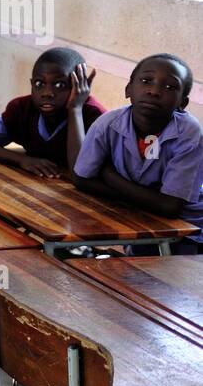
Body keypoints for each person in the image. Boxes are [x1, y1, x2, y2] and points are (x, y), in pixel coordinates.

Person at [73, 54, 203, 255]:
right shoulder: (107, 124)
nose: (154, 91)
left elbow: (170, 206)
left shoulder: (189, 133)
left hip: (188, 228)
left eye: (170, 87)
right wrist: (147, 200)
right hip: (135, 218)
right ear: (128, 90)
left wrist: (108, 174)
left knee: (170, 276)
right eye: (146, 81)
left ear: (182, 103)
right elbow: (81, 179)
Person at [0, 47, 103, 175]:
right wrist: (22, 160)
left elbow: (79, 172)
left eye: (60, 85)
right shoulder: (22, 109)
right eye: (39, 84)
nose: (47, 93)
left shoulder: (95, 118)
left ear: (80, 87)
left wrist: (75, 109)